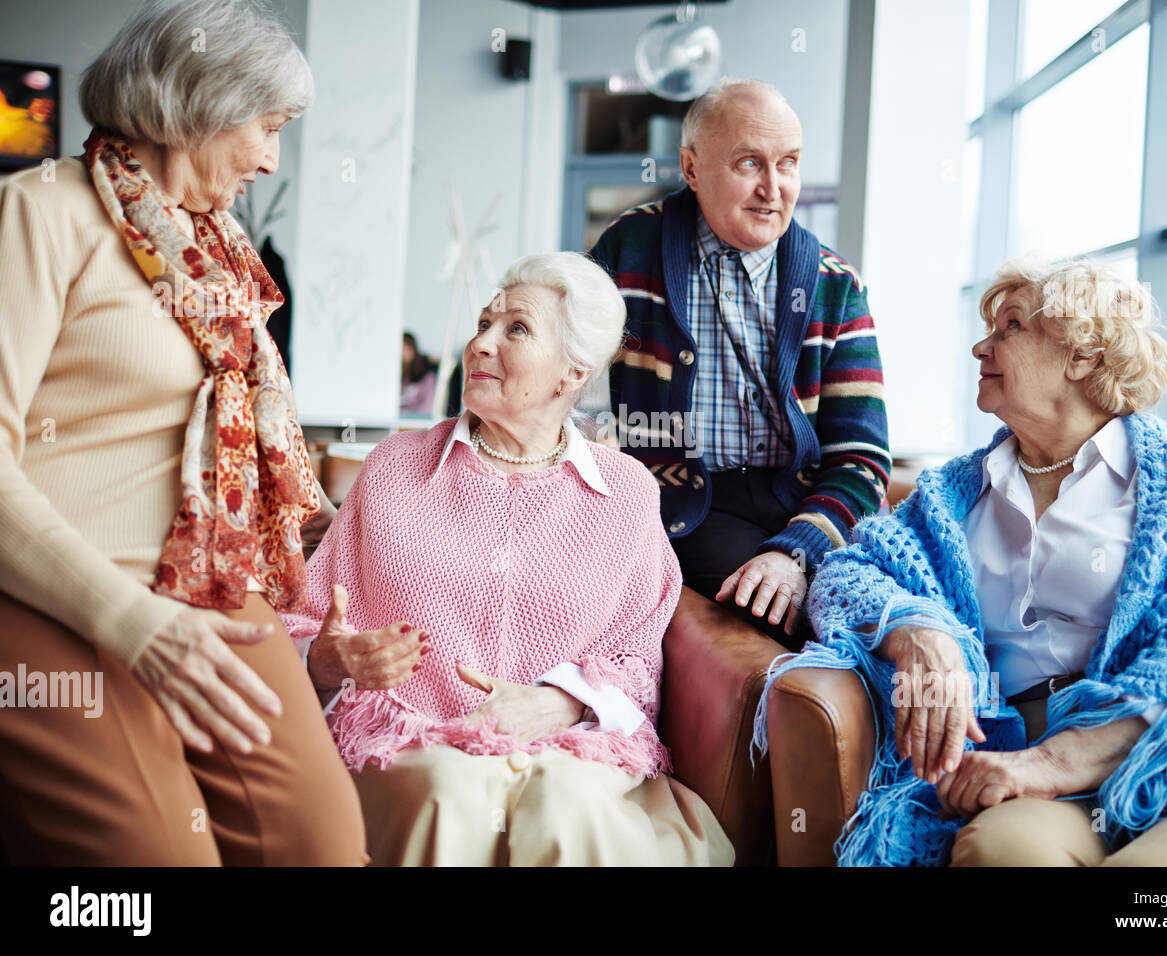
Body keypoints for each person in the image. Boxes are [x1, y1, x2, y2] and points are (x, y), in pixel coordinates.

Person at [756, 258, 1167, 866]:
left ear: (1083, 356)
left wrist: (1054, 763)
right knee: (1002, 851)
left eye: (1010, 326)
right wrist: (917, 631)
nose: (980, 345)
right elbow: (847, 572)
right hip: (1016, 760)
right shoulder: (954, 492)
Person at [0, 0, 364, 865]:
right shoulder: (41, 211)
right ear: (201, 100)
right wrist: (129, 622)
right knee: (155, 862)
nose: (273, 159)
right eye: (267, 127)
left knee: (321, 841)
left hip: (210, 578)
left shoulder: (220, 249)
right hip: (54, 593)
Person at [281, 252, 733, 866]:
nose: (481, 345)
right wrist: (330, 660)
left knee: (569, 804)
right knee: (451, 790)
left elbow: (637, 651)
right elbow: (301, 621)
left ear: (572, 373)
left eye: (515, 329)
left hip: (569, 749)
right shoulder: (393, 469)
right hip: (416, 740)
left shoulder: (626, 492)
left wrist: (564, 701)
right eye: (483, 324)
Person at [589, 79, 891, 648]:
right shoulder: (627, 249)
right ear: (692, 167)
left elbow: (861, 459)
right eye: (750, 163)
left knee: (894, 620)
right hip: (679, 500)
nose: (772, 189)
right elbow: (564, 369)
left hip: (800, 504)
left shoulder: (834, 285)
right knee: (792, 625)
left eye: (789, 164)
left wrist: (798, 549)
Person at [400, 331, 437, 417]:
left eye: (405, 349)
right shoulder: (396, 378)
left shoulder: (428, 378)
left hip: (417, 424)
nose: (402, 354)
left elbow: (427, 408)